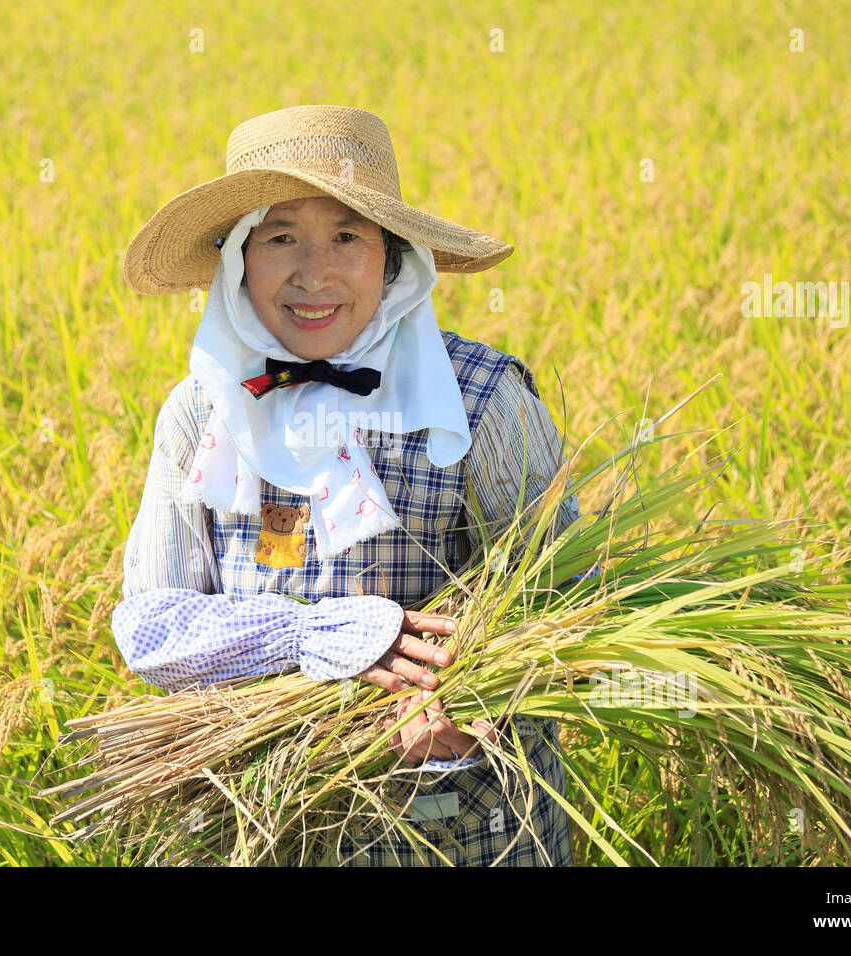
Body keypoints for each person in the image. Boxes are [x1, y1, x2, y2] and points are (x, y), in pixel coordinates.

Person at [113, 104, 582, 865]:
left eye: (346, 236)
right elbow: (152, 630)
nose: (314, 274)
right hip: (262, 825)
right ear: (238, 257)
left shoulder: (480, 403)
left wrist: (465, 692)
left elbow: (567, 591)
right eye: (281, 237)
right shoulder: (201, 411)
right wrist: (320, 639)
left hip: (462, 827)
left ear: (393, 258)